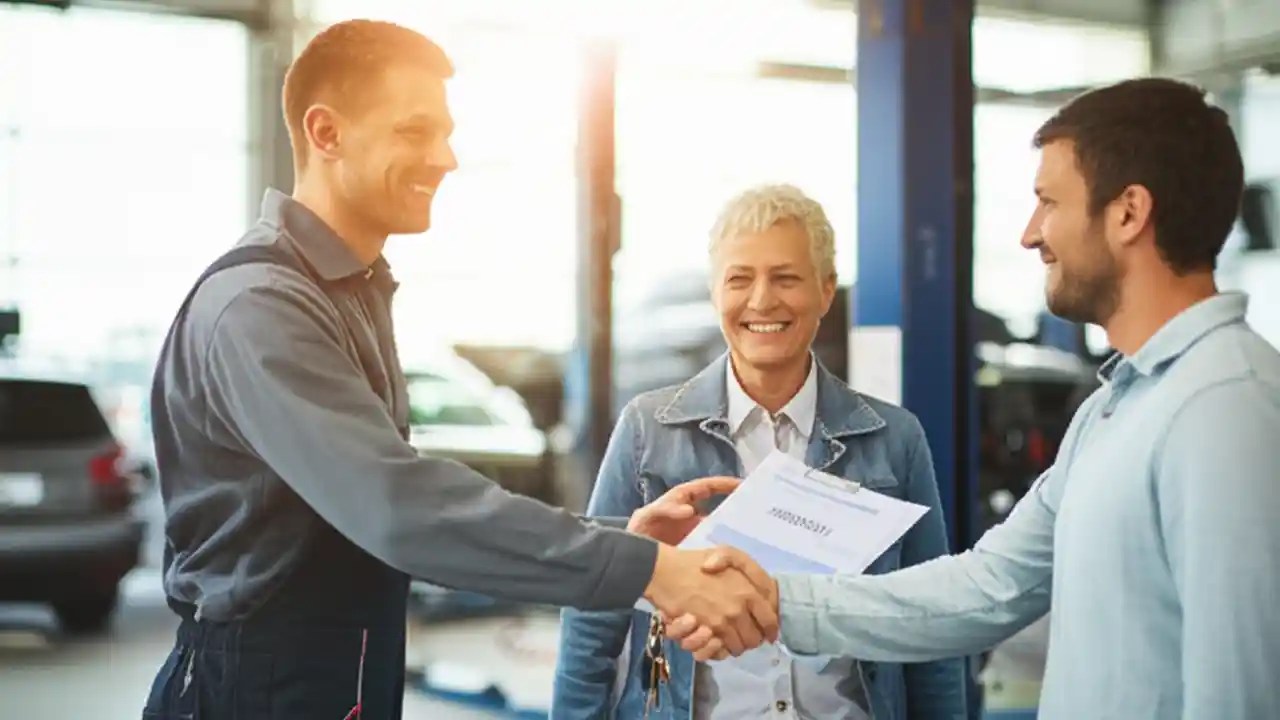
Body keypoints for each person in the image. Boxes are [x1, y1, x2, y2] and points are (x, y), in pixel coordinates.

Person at [143, 19, 776, 720]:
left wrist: (617, 542)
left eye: (444, 132)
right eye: (414, 131)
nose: (444, 158)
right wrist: (650, 571)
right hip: (255, 691)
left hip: (338, 674)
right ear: (326, 134)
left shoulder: (347, 290)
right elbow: (400, 506)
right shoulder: (260, 306)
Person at [666, 78, 1280, 720]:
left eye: (1049, 202)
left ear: (1128, 212)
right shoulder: (1114, 410)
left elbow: (1243, 696)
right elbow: (985, 588)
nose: (1030, 234)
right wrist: (772, 599)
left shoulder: (1226, 408)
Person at [553, 185, 967, 719]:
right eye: (739, 278)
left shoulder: (895, 439)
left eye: (786, 277)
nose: (762, 300)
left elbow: (930, 623)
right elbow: (592, 618)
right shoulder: (646, 432)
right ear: (714, 292)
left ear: (825, 290)